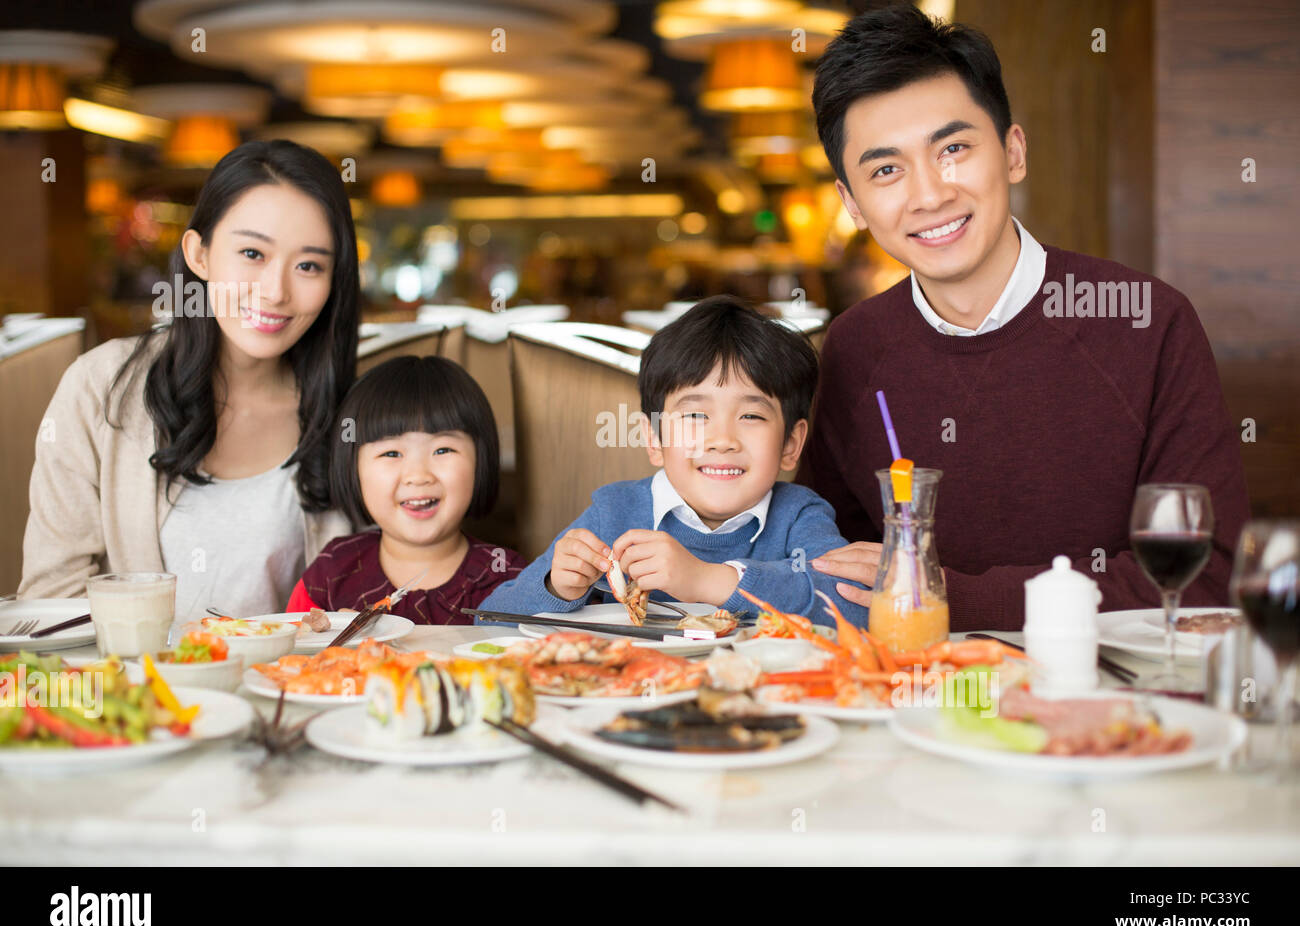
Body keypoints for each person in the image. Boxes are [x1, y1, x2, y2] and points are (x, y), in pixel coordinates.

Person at [800, 6, 1249, 631]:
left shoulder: (1147, 322)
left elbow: (1203, 578)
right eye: (886, 170)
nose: (929, 194)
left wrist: (951, 596)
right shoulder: (852, 349)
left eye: (953, 148)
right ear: (851, 203)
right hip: (912, 705)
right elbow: (828, 567)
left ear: (1013, 152)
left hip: (1114, 709)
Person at [20, 140, 359, 619]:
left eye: (309, 265)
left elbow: (375, 598)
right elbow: (51, 598)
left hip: (294, 690)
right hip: (137, 688)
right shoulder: (100, 389)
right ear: (199, 255)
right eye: (252, 253)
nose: (276, 291)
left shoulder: (349, 412)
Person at [481, 295, 869, 629]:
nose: (721, 440)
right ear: (654, 438)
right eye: (696, 416)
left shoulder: (800, 515)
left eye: (751, 416)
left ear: (791, 443)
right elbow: (487, 621)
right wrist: (556, 587)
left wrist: (707, 580)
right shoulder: (615, 512)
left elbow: (855, 607)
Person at [286, 355, 524, 625]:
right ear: (353, 469)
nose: (418, 476)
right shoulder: (330, 574)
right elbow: (290, 655)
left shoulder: (509, 578)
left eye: (442, 450)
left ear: (481, 460)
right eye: (391, 453)